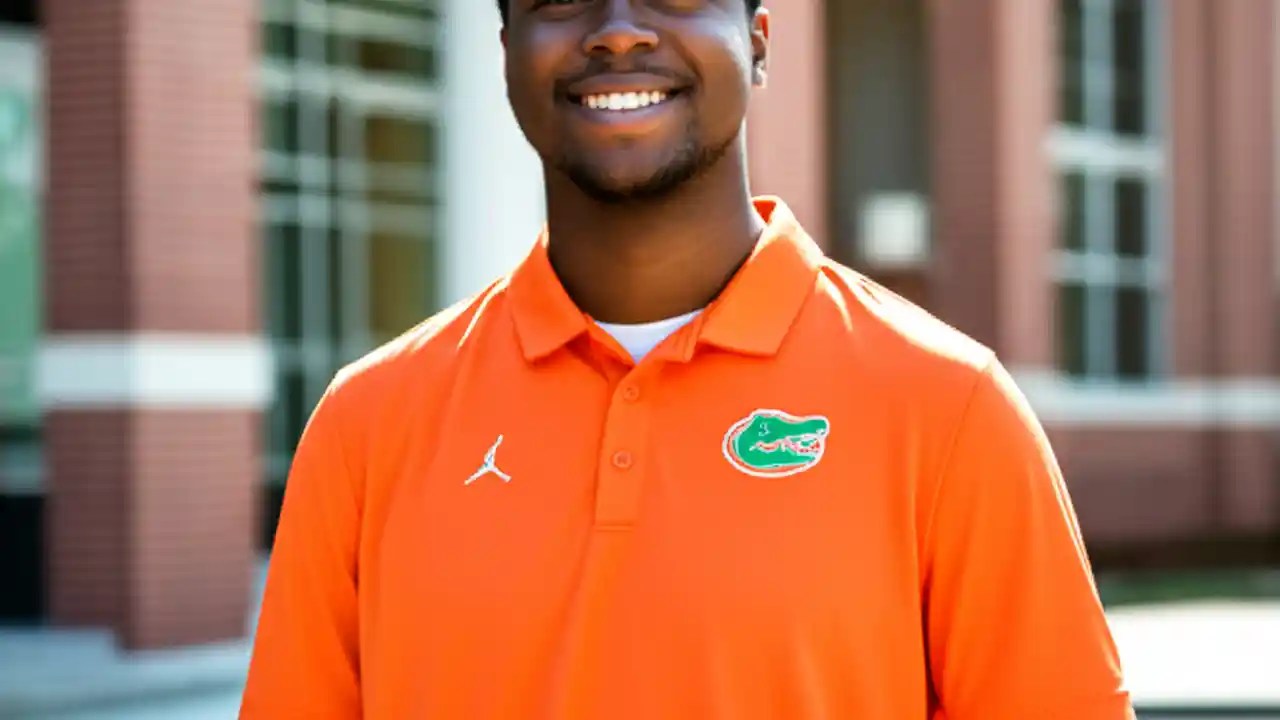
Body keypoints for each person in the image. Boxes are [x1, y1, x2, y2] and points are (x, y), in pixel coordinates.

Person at [240, 0, 1135, 717]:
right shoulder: (368, 423)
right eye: (562, 0)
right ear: (508, 48)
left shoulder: (946, 405)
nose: (619, 28)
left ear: (757, 42)